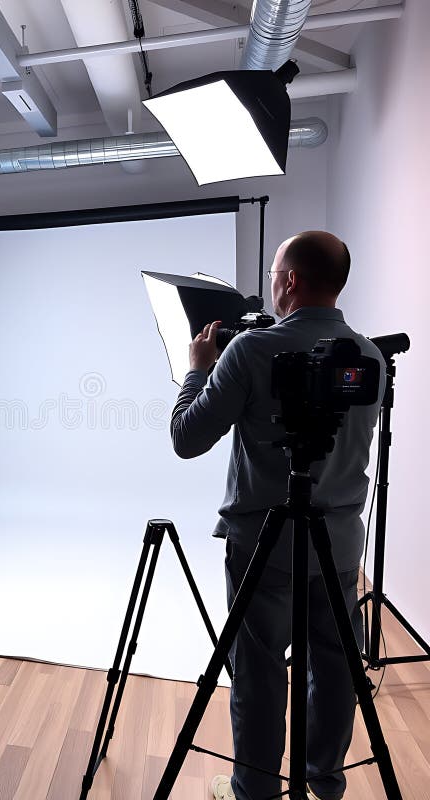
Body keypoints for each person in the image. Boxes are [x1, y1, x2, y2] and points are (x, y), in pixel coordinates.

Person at [169, 231, 385, 800]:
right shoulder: (369, 357)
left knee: (260, 673)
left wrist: (199, 367)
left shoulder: (250, 351)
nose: (269, 282)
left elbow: (186, 437)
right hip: (338, 543)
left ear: (289, 280)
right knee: (336, 666)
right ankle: (324, 779)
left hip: (263, 542)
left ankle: (256, 791)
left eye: (273, 272)